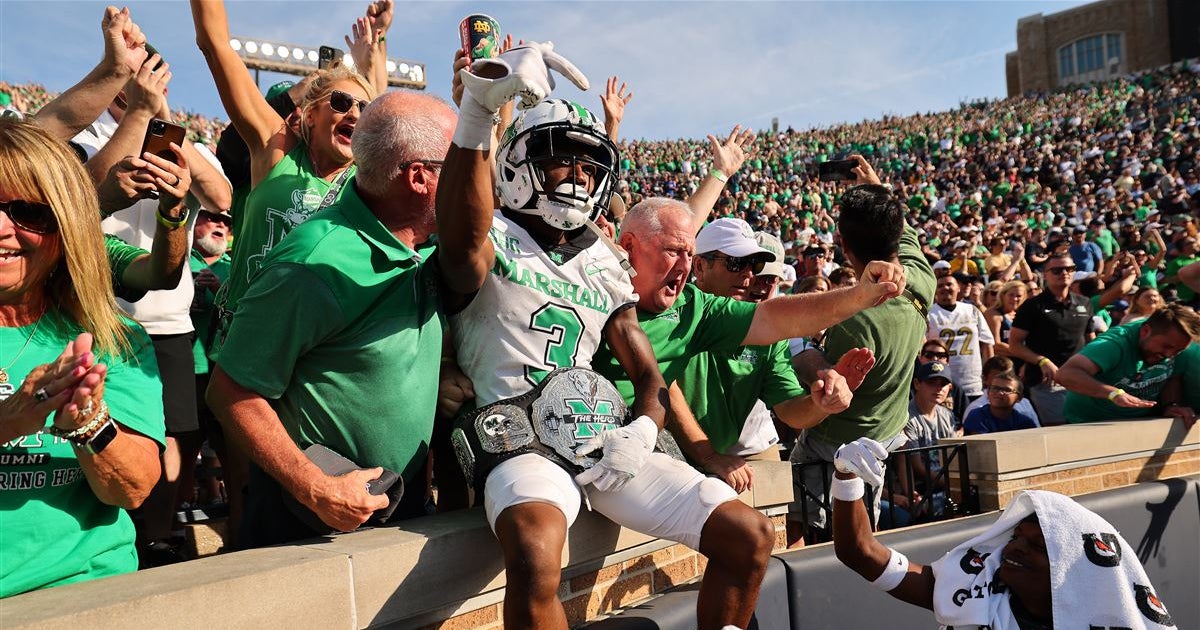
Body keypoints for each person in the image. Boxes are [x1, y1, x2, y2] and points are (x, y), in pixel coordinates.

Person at [440, 45, 901, 630]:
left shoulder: (602, 263)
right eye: (564, 162)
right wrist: (478, 113)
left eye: (590, 167)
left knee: (750, 534)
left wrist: (643, 428)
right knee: (535, 557)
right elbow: (458, 245)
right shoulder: (493, 234)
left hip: (598, 435)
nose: (579, 178)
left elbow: (649, 374)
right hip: (516, 430)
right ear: (520, 162)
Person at [207, 91, 455, 547]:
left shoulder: (432, 249)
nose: (475, 178)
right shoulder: (313, 263)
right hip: (311, 526)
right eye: (460, 163)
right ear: (419, 177)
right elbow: (231, 391)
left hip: (401, 514)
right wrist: (316, 488)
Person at [70, 46, 230, 564]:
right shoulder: (87, 137)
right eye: (132, 78)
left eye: (153, 76)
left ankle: (161, 536)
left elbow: (221, 195)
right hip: (102, 314)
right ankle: (112, 538)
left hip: (168, 318)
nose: (139, 86)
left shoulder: (182, 139)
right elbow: (78, 196)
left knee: (176, 433)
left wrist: (164, 123)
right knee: (104, 430)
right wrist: (134, 122)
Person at [0, 120, 163, 597]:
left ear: (66, 226)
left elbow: (131, 489)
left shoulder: (112, 339)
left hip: (85, 593)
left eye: (30, 213)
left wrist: (90, 424)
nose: (2, 229)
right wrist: (9, 422)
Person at [831, 437, 1177, 630]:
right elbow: (859, 551)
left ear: (1073, 568)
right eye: (1017, 537)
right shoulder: (979, 591)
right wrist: (847, 476)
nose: (1017, 548)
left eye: (1038, 546)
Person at [190, 0, 378, 354]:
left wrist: (375, 50)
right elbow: (215, 46)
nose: (354, 113)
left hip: (320, 356)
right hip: (246, 346)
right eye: (340, 102)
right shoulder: (275, 151)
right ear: (310, 115)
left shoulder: (365, 180)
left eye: (363, 109)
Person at [789, 155, 935, 540]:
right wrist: (879, 188)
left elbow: (822, 379)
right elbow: (904, 234)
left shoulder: (856, 319)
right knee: (864, 530)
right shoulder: (922, 279)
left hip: (835, 442)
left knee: (803, 522)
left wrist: (802, 342)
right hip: (883, 433)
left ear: (843, 246)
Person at [671, 219, 865, 492]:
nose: (748, 276)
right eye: (736, 263)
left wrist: (821, 404)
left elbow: (789, 409)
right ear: (700, 266)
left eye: (754, 266)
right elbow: (663, 388)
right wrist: (709, 456)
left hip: (735, 456)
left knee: (769, 531)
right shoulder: (674, 310)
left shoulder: (768, 337)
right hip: (670, 456)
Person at [1058, 305, 1200, 427]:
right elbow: (1066, 374)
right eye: (1166, 346)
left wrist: (1171, 405)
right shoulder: (1114, 344)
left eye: (1177, 351)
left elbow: (1173, 377)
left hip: (1140, 423)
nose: (1170, 354)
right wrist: (1113, 393)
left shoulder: (1176, 342)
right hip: (1089, 423)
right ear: (1145, 331)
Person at [1007, 252, 1094, 426]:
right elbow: (1014, 345)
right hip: (1047, 382)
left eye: (1069, 268)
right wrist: (1042, 361)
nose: (1064, 273)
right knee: (1060, 430)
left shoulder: (1085, 303)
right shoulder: (1032, 306)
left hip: (1080, 378)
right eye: (1057, 270)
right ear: (1045, 275)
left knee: (1084, 427)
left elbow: (1090, 340)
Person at [927, 274, 994, 401]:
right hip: (943, 382)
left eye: (949, 284)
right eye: (940, 286)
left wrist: (989, 375)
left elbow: (987, 343)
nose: (945, 288)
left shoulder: (972, 310)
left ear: (958, 288)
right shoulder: (929, 314)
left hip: (974, 382)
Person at [963, 371, 1038, 435]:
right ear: (988, 393)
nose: (1000, 393)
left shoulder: (1024, 422)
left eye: (1007, 390)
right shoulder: (977, 416)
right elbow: (981, 447)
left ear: (1019, 398)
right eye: (995, 388)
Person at [984, 280, 1027, 358]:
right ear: (1003, 295)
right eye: (1011, 295)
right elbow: (995, 344)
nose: (1014, 299)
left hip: (1022, 362)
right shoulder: (993, 314)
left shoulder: (1022, 314)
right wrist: (1025, 354)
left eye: (1018, 296)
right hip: (1002, 363)